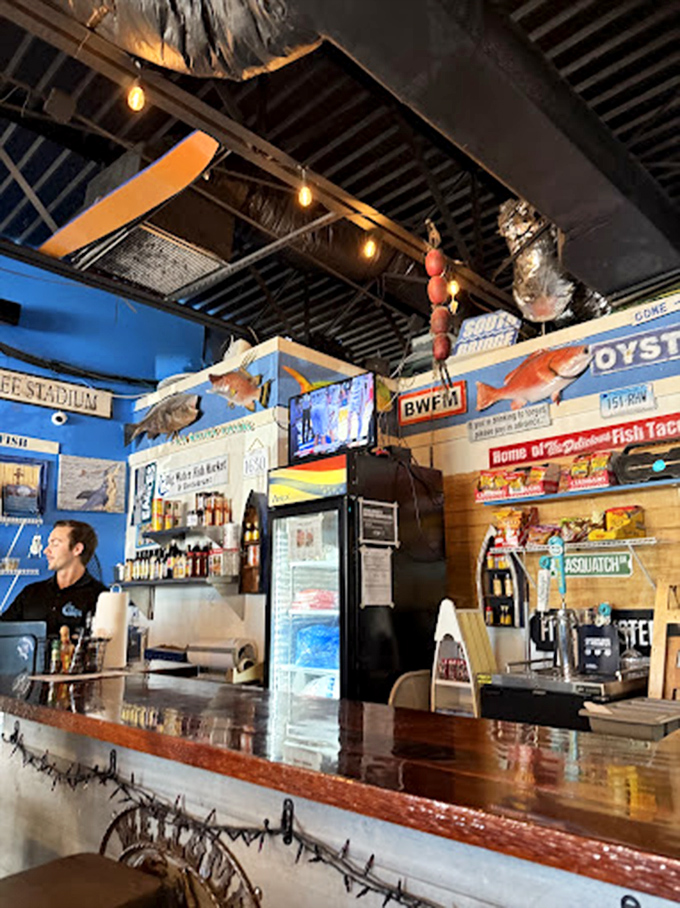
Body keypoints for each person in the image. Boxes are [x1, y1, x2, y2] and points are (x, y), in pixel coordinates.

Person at [1, 520, 107, 636]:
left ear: (77, 549)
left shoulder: (102, 598)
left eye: (55, 543)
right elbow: (3, 631)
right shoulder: (30, 593)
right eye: (49, 544)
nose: (46, 550)